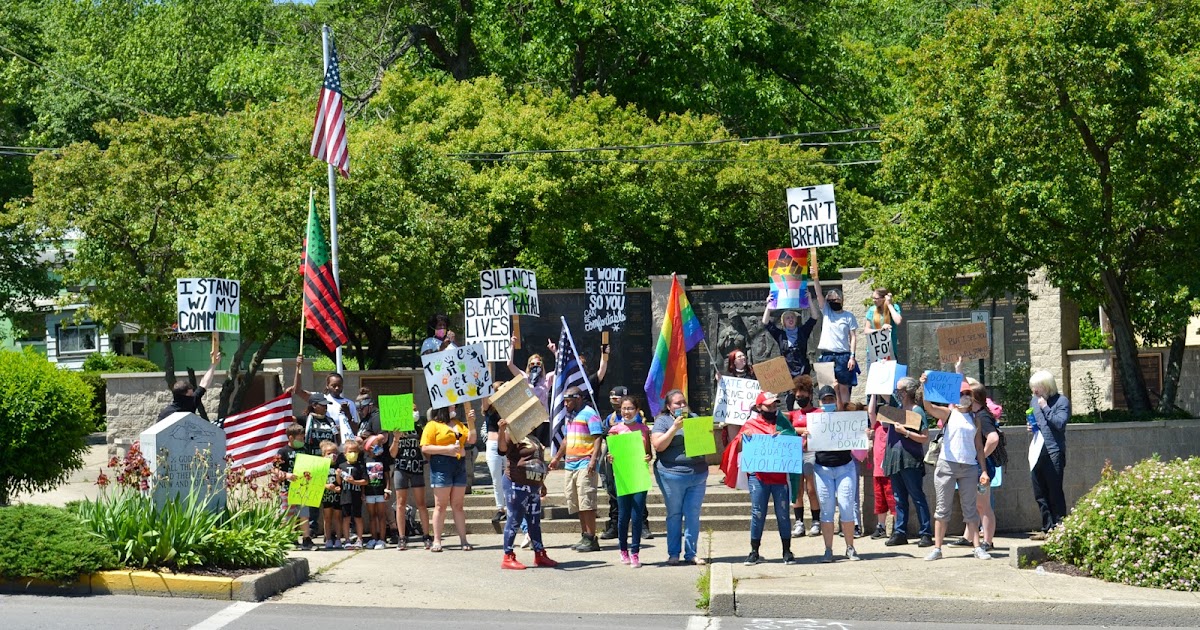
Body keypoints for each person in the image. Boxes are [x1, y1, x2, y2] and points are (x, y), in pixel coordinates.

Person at [921, 378, 992, 561]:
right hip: (947, 464)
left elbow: (978, 447)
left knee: (971, 509)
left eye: (968, 394)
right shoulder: (949, 413)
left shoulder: (975, 419)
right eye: (961, 394)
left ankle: (977, 547)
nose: (965, 397)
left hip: (969, 467)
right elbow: (929, 407)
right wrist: (925, 385)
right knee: (942, 509)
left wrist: (983, 470)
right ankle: (937, 548)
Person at [737, 392, 805, 565]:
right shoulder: (750, 424)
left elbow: (794, 443)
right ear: (759, 407)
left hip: (780, 478)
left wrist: (788, 438)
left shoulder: (783, 423)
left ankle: (787, 550)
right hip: (758, 477)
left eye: (775, 405)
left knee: (783, 514)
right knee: (757, 513)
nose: (773, 408)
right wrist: (747, 437)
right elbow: (738, 445)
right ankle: (754, 551)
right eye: (769, 405)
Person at [651, 389, 709, 566]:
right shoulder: (663, 421)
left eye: (684, 402)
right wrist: (675, 427)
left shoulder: (694, 417)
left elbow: (704, 444)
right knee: (675, 514)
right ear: (669, 406)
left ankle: (691, 553)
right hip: (671, 475)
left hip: (697, 474)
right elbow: (658, 446)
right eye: (677, 403)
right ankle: (674, 553)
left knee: (693, 514)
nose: (682, 406)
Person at [874, 376, 933, 547]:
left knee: (917, 496)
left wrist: (905, 432)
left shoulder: (917, 411)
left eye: (899, 389)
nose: (896, 392)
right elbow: (883, 396)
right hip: (894, 459)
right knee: (899, 498)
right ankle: (900, 532)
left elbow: (924, 437)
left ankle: (926, 533)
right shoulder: (896, 409)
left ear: (907, 392)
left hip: (909, 459)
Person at [598, 395, 652, 568]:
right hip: (622, 475)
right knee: (623, 516)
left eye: (630, 408)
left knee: (637, 516)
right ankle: (623, 550)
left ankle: (635, 552)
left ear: (637, 410)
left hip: (638, 475)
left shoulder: (643, 429)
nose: (626, 412)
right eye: (624, 408)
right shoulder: (615, 430)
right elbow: (608, 455)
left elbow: (648, 453)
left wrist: (648, 457)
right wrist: (610, 457)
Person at [548, 386, 605, 552]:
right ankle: (584, 536)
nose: (565, 404)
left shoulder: (590, 414)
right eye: (564, 400)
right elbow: (566, 440)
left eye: (568, 400)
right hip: (570, 463)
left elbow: (597, 438)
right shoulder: (570, 416)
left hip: (585, 463)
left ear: (579, 398)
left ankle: (592, 538)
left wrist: (593, 460)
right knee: (577, 501)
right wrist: (557, 458)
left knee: (586, 501)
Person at [498, 418, 557, 569]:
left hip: (533, 485)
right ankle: (508, 555)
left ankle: (539, 554)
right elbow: (502, 450)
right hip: (515, 484)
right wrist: (501, 430)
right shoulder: (512, 434)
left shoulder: (533, 438)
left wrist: (541, 483)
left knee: (534, 522)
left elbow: (537, 462)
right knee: (514, 520)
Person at [811, 385, 861, 562]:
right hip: (822, 469)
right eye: (825, 400)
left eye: (831, 399)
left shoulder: (844, 419)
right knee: (827, 509)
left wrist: (864, 434)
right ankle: (828, 549)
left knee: (847, 506)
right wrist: (806, 435)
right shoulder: (815, 421)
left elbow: (857, 432)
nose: (828, 402)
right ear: (820, 402)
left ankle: (850, 547)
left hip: (845, 468)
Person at [420, 405, 475, 552]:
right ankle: (437, 540)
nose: (454, 408)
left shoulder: (458, 423)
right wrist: (447, 449)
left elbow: (472, 439)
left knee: (458, 505)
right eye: (451, 406)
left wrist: (471, 422)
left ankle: (463, 540)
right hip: (441, 465)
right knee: (441, 505)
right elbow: (425, 448)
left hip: (459, 465)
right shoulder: (432, 425)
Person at [811, 262, 860, 410]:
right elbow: (819, 294)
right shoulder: (827, 312)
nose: (833, 301)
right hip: (826, 355)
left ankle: (844, 413)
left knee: (844, 388)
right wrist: (815, 278)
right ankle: (828, 414)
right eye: (831, 299)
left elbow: (853, 337)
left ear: (842, 300)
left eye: (836, 298)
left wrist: (852, 356)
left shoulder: (848, 316)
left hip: (843, 355)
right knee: (827, 388)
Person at [1029, 370, 1070, 539]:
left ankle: (1059, 527)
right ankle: (1047, 528)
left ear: (1046, 386)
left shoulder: (1061, 401)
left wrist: (1045, 407)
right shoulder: (1033, 400)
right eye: (1032, 388)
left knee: (1054, 491)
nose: (1034, 391)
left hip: (1054, 451)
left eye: (1036, 388)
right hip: (1037, 450)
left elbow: (1060, 423)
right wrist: (1031, 427)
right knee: (1040, 491)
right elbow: (1038, 423)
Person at [781, 375, 822, 538]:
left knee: (811, 489)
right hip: (795, 453)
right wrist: (799, 431)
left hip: (811, 452)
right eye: (797, 397)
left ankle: (816, 521)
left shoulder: (818, 412)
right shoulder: (793, 414)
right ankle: (799, 522)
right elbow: (784, 427)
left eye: (803, 396)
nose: (800, 399)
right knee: (797, 489)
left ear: (810, 396)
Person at [389, 412, 431, 551]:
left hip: (416, 467)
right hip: (401, 468)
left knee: (421, 503)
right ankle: (402, 537)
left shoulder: (418, 428)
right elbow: (393, 454)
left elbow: (425, 450)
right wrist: (396, 438)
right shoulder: (397, 428)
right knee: (400, 503)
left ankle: (426, 536)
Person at [292, 357, 358, 441]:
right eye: (334, 385)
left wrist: (348, 414)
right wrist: (298, 367)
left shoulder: (350, 403)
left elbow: (355, 430)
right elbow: (297, 391)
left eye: (339, 385)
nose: (337, 388)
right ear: (327, 385)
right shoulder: (320, 398)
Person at [761, 289, 820, 376]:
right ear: (783, 322)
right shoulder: (780, 335)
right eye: (787, 318)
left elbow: (814, 317)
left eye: (792, 317)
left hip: (803, 372)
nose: (790, 319)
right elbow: (765, 322)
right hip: (787, 374)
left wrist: (810, 301)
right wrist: (769, 305)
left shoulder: (803, 332)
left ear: (796, 320)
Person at [158, 349, 222, 421]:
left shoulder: (164, 414)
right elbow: (204, 384)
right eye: (191, 394)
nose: (193, 396)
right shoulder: (189, 403)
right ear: (185, 395)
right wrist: (213, 364)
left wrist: (213, 364)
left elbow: (204, 384)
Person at [275, 424, 312, 549]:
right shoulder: (283, 452)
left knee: (304, 514)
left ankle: (306, 538)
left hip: (302, 488)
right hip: (287, 488)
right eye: (300, 439)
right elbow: (275, 470)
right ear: (291, 438)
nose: (302, 441)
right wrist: (286, 475)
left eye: (303, 439)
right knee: (287, 515)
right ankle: (289, 538)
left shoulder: (305, 449)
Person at [867, 394, 897, 541]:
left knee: (893, 499)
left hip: (890, 471)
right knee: (880, 501)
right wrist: (873, 393)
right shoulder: (877, 426)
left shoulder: (893, 428)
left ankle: (898, 526)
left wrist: (887, 399)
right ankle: (881, 526)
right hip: (877, 472)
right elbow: (871, 412)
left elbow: (893, 409)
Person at [482, 397, 510, 526]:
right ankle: (500, 508)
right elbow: (484, 396)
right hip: (493, 444)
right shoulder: (489, 409)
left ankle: (510, 507)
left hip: (507, 443)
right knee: (496, 479)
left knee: (510, 477)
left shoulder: (509, 407)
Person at [338, 438, 368, 549]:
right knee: (345, 518)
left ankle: (360, 539)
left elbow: (365, 481)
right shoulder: (341, 466)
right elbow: (339, 482)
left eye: (355, 451)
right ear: (345, 453)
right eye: (350, 451)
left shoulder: (360, 466)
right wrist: (338, 475)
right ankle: (346, 540)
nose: (353, 454)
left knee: (358, 517)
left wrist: (354, 482)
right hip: (345, 496)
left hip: (356, 496)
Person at [362, 434, 389, 549]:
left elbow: (387, 476)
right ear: (369, 447)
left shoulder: (383, 458)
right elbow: (363, 477)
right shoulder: (365, 459)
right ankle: (373, 538)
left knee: (381, 516)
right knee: (372, 516)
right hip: (369, 492)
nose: (379, 446)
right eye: (376, 445)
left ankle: (382, 539)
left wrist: (387, 489)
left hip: (380, 491)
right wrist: (362, 492)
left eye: (380, 444)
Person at [863, 288, 903, 359]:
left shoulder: (894, 307)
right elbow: (866, 330)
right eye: (873, 298)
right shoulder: (872, 310)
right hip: (874, 351)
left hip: (890, 351)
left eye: (876, 298)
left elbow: (898, 321)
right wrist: (881, 330)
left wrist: (889, 304)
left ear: (883, 298)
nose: (873, 300)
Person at [318, 440, 344, 549]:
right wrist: (326, 486)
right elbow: (317, 481)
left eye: (334, 453)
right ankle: (328, 539)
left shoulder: (340, 466)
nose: (332, 455)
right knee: (327, 518)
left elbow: (341, 482)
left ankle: (338, 539)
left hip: (337, 496)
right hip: (327, 495)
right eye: (329, 453)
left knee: (337, 517)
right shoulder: (321, 467)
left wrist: (338, 481)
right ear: (323, 455)